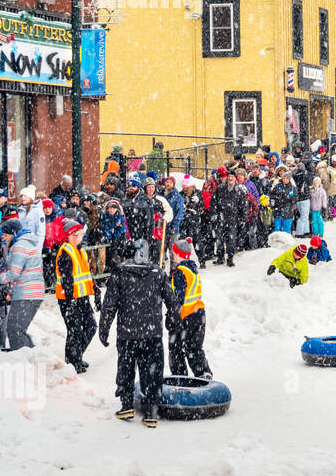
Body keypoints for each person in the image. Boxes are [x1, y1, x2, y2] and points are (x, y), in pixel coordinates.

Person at [99, 239, 179, 427]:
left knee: (126, 368)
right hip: (152, 332)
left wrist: (104, 328)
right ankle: (151, 410)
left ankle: (127, 404)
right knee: (152, 370)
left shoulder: (119, 273)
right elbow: (172, 301)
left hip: (128, 332)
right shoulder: (157, 273)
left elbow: (109, 305)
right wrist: (172, 320)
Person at [54, 219, 99, 374]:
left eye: (80, 234)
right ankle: (73, 361)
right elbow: (67, 279)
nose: (79, 237)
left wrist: (96, 289)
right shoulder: (66, 252)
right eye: (75, 235)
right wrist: (70, 300)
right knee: (75, 330)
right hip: (69, 299)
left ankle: (76, 357)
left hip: (82, 296)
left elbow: (86, 273)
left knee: (90, 327)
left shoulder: (81, 251)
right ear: (68, 236)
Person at [168, 238, 211, 378]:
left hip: (185, 316)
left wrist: (173, 316)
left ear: (179, 254)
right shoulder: (192, 270)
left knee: (176, 349)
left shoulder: (180, 271)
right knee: (194, 348)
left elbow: (178, 297)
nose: (172, 255)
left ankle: (180, 377)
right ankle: (203, 373)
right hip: (199, 314)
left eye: (174, 253)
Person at [0, 219, 40, 350]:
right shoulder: (26, 244)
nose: (4, 238)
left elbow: (14, 273)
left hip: (26, 292)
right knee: (18, 328)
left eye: (5, 235)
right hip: (31, 290)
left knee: (14, 329)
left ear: (13, 233)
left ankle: (24, 357)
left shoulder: (19, 246)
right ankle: (31, 353)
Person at [211, 168, 241, 266]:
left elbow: (243, 206)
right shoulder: (220, 188)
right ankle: (220, 257)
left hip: (233, 219)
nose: (230, 178)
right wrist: (214, 214)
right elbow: (213, 202)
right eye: (229, 177)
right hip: (221, 218)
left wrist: (242, 219)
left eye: (232, 177)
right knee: (219, 239)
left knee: (231, 240)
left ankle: (230, 258)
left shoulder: (239, 190)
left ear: (235, 178)